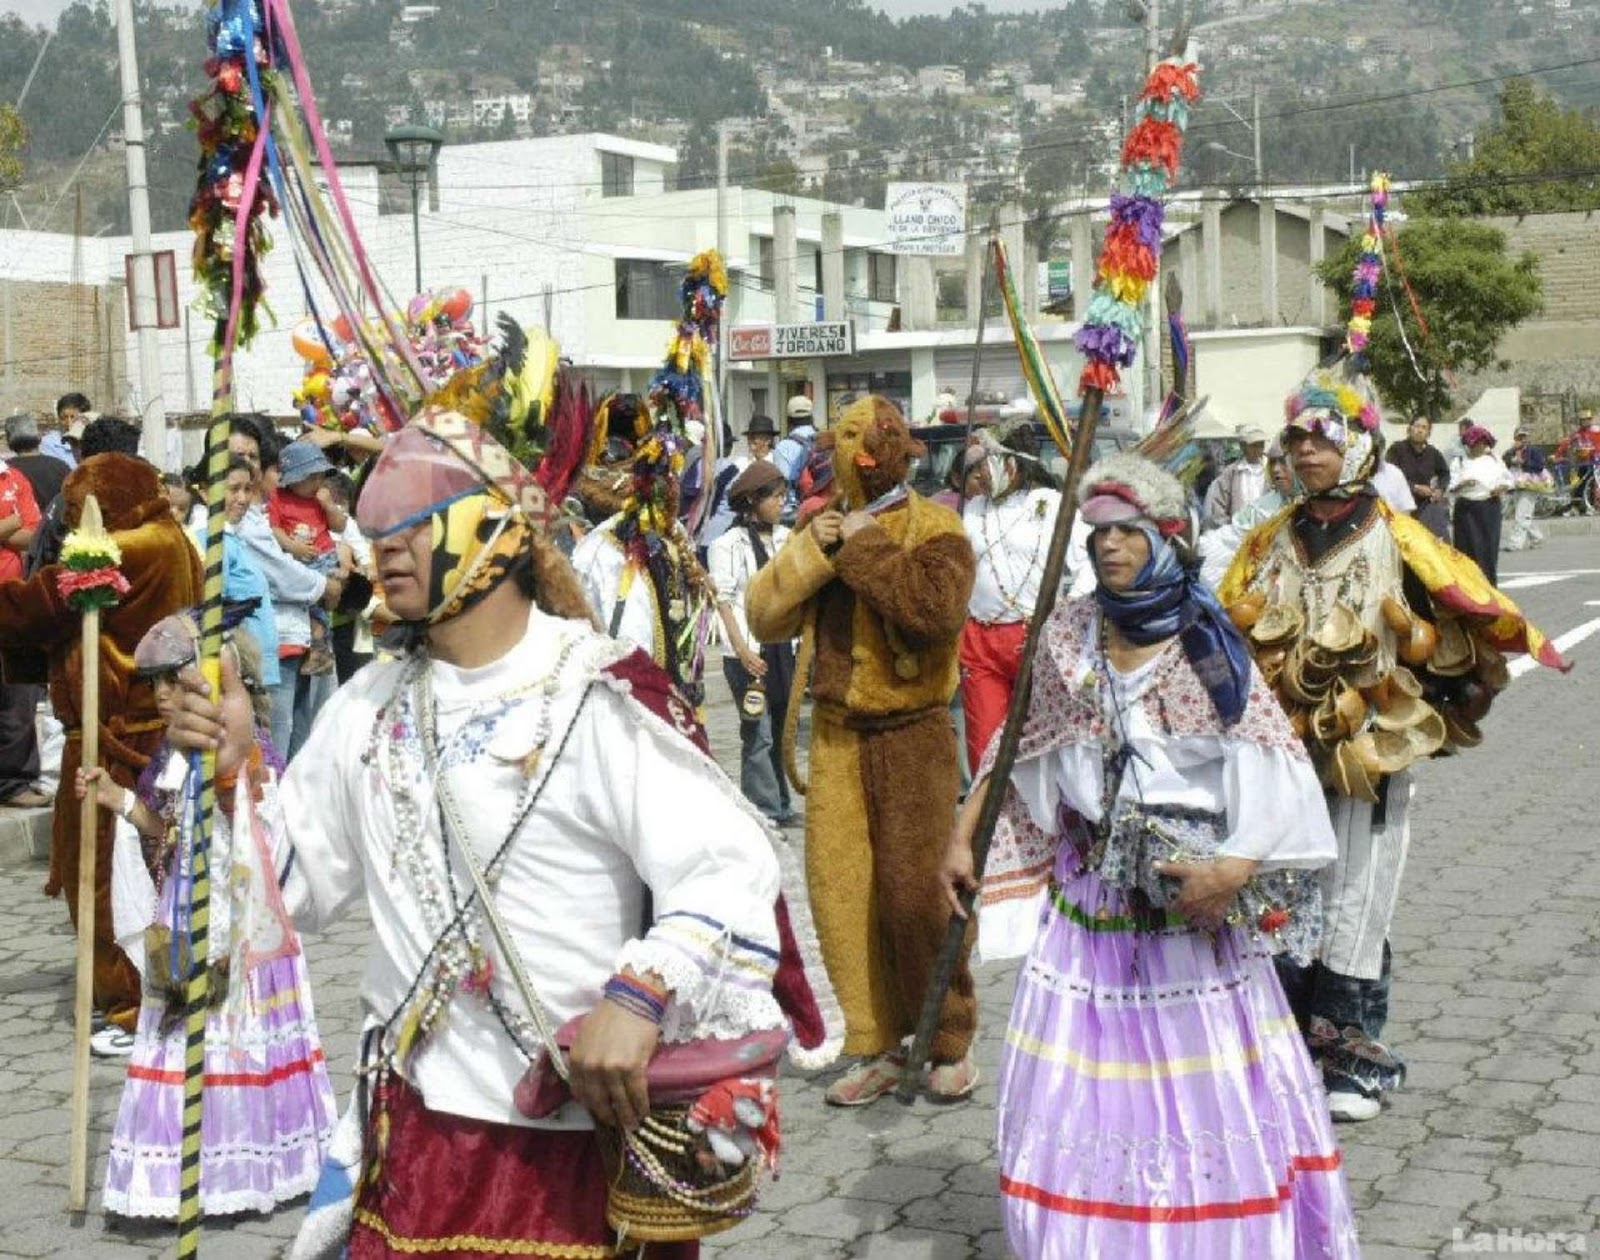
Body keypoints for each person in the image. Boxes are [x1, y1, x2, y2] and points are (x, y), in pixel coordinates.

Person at [160, 399, 812, 1258]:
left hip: (571, 1146)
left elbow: (728, 868)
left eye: (414, 525)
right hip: (410, 1139)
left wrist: (638, 996)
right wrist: (234, 778)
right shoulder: (367, 707)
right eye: (376, 526)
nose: (384, 547)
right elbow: (290, 890)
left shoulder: (594, 692)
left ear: (499, 533)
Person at [943, 452, 1358, 1259]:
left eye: (1127, 531)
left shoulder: (1208, 646)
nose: (1109, 547)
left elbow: (1275, 771)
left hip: (1188, 911)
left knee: (1198, 1098)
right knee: (1080, 1096)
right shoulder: (1066, 632)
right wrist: (962, 836)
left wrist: (1234, 869)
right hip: (1087, 910)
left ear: (1169, 537)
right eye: (1098, 532)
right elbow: (1016, 746)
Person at [1219, 362, 1567, 1122]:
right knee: (1281, 892)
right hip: (1282, 746)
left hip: (1368, 742)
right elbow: (1225, 620)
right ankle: (1283, 1051)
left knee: (1356, 893)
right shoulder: (1271, 538)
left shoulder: (1398, 537)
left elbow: (1462, 611)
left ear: (1357, 448)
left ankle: (1352, 1062)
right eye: (1295, 441)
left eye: (1322, 439)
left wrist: (1436, 670)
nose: (1305, 453)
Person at [747, 395, 979, 1106]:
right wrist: (819, 548)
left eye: (858, 436)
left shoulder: (937, 526)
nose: (848, 450)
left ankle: (946, 1038)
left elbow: (932, 612)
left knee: (918, 899)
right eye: (839, 437)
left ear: (890, 445)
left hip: (913, 734)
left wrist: (860, 547)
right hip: (838, 735)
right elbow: (764, 614)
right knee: (845, 900)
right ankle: (874, 1040)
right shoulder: (822, 528)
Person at [78, 612, 337, 1218]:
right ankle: (175, 1177)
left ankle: (244, 1166)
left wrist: (229, 782)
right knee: (178, 1035)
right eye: (153, 683)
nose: (162, 695)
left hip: (240, 921)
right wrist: (120, 802)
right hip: (183, 912)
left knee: (232, 1036)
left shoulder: (251, 750)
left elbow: (264, 843)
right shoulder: (166, 756)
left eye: (173, 678)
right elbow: (162, 835)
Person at [0, 444, 203, 1054]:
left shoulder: (134, 547)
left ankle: (130, 1003)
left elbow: (39, 605)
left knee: (111, 876)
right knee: (139, 869)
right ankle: (145, 990)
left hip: (120, 741)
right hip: (139, 735)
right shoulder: (174, 539)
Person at [958, 423, 1063, 771]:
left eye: (987, 461)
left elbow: (1083, 570)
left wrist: (1062, 625)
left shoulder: (1049, 503)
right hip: (979, 641)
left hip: (1035, 637)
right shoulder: (972, 509)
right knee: (985, 746)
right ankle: (989, 821)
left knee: (1039, 743)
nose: (979, 472)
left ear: (1012, 463)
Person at [707, 460, 795, 826]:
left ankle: (780, 799)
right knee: (757, 732)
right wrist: (743, 652)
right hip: (747, 651)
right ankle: (763, 806)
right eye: (774, 497)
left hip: (782, 648)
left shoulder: (786, 540)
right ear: (753, 501)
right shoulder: (726, 544)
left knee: (779, 728)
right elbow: (724, 601)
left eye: (783, 497)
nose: (780, 504)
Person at [269, 438, 349, 678]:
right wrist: (292, 546)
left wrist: (329, 507)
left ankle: (320, 648)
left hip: (324, 557)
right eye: (311, 477)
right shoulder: (278, 498)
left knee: (320, 604)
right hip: (298, 560)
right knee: (309, 605)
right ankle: (318, 647)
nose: (318, 483)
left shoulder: (321, 498)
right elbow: (275, 529)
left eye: (320, 476)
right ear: (293, 479)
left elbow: (339, 526)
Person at [0, 435, 45, 808]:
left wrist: (6, 528)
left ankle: (16, 783)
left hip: (14, 603)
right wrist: (10, 525)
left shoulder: (15, 480)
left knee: (19, 693)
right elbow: (20, 528)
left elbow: (34, 535)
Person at [1449, 424, 1512, 585]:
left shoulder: (1494, 460)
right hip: (1466, 509)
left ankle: (1489, 588)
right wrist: (1463, 484)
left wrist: (1501, 487)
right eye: (1476, 443)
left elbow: (1508, 480)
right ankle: (1468, 589)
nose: (1480, 446)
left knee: (1487, 550)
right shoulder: (1460, 461)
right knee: (1466, 550)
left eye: (1483, 443)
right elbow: (1451, 486)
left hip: (1489, 508)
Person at [1386, 415, 1452, 539]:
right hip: (1401, 507)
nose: (1420, 430)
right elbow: (1389, 475)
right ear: (1410, 428)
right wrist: (1414, 488)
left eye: (1424, 427)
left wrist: (1440, 489)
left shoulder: (1432, 453)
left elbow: (1445, 473)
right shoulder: (1397, 449)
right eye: (1416, 426)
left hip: (1425, 506)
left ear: (1428, 433)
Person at [1203, 423, 1270, 527]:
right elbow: (1218, 505)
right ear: (1242, 446)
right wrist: (1230, 528)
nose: (1258, 449)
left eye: (1261, 444)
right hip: (1238, 533)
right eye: (1254, 445)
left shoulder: (1270, 470)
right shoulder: (1231, 473)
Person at [5, 412, 71, 512]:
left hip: (19, 526)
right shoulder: (60, 466)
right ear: (39, 437)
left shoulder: (5, 471)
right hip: (54, 525)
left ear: (9, 441)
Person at [771, 394, 819, 516]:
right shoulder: (823, 441)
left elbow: (783, 484)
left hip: (796, 511)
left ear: (789, 420)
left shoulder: (783, 447)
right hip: (822, 507)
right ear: (811, 417)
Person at [1503, 427, 1549, 552]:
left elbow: (1539, 466)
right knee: (1524, 515)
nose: (1522, 440)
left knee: (1521, 515)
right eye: (1519, 437)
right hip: (1516, 486)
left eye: (1524, 437)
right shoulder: (1510, 452)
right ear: (1515, 438)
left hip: (1530, 486)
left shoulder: (1534, 451)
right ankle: (1537, 538)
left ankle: (1515, 543)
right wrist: (1512, 458)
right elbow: (1504, 463)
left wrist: (1523, 462)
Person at [1551, 409, 1600, 515]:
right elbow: (1565, 443)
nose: (1585, 422)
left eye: (1588, 420)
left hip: (1597, 461)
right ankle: (1581, 507)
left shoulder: (1597, 431)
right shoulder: (1577, 434)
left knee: (1594, 484)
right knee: (1582, 484)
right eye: (1583, 420)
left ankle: (1590, 506)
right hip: (1584, 463)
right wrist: (1557, 455)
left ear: (1591, 420)